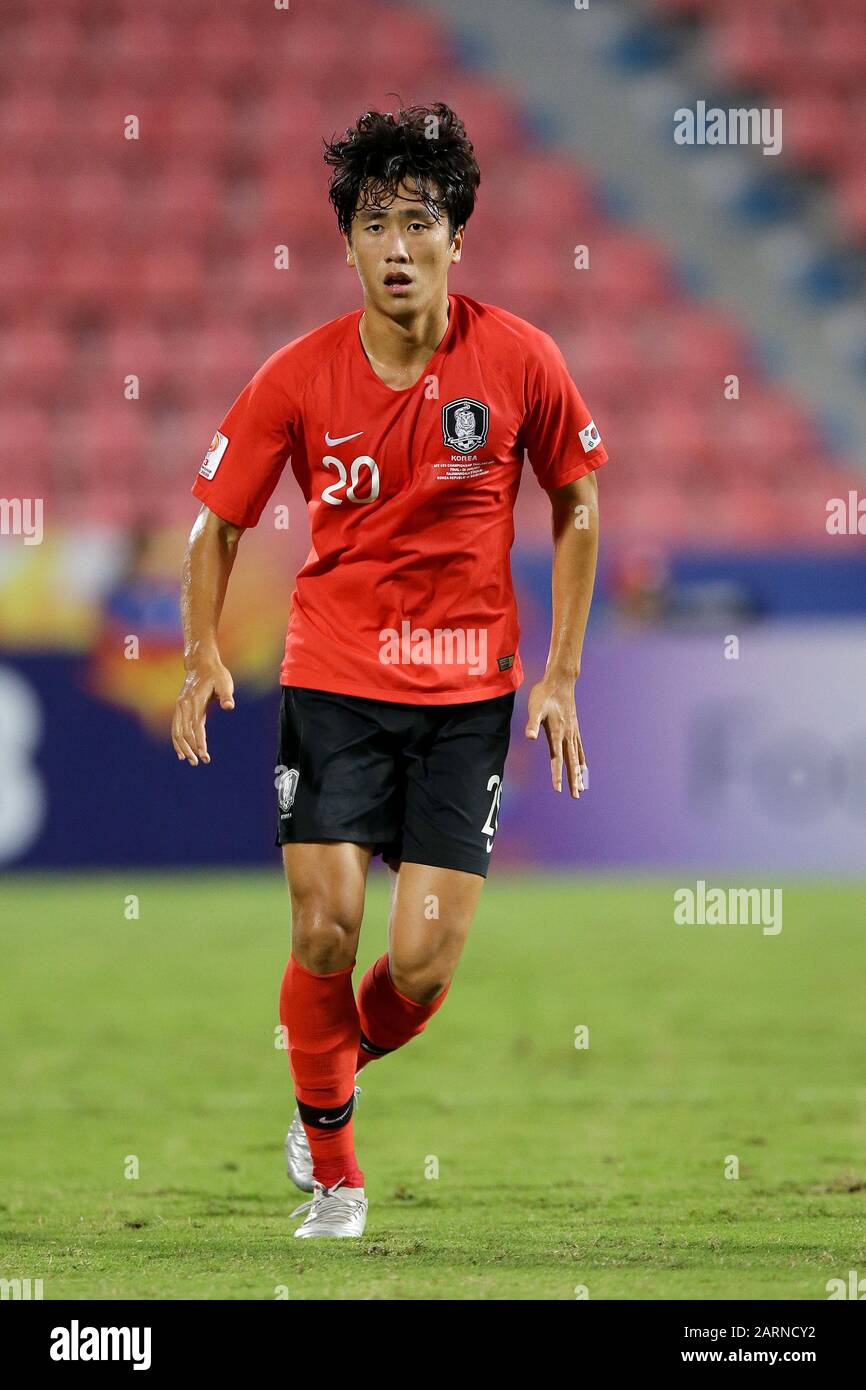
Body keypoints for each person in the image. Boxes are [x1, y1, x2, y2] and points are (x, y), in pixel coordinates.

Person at [172, 103, 607, 1238]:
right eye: (376, 224)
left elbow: (576, 501)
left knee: (416, 964)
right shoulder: (297, 375)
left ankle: (330, 1071)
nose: (399, 245)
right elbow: (214, 526)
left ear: (458, 237)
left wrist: (558, 672)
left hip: (468, 693)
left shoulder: (520, 360)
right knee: (324, 930)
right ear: (348, 245)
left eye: (420, 222)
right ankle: (336, 1173)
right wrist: (200, 648)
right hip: (334, 682)